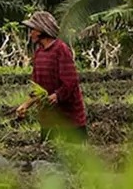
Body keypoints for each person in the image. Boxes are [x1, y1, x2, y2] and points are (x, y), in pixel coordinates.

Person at [15, 11, 87, 142]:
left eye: (33, 30)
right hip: (48, 119)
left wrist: (57, 96)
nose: (30, 33)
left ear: (42, 30)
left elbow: (70, 82)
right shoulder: (39, 53)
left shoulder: (61, 49)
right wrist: (25, 105)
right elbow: (37, 87)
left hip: (69, 119)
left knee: (75, 158)